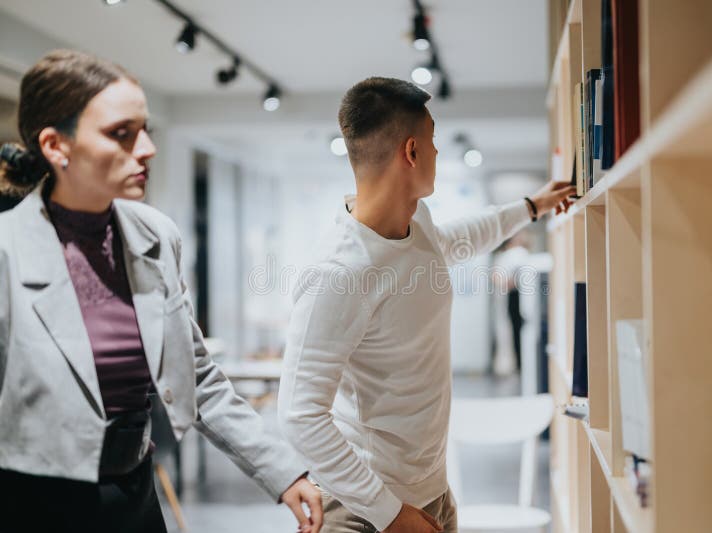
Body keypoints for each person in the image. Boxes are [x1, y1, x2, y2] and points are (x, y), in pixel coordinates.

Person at [0, 50, 321, 533]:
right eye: (120, 134)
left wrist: (281, 469)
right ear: (55, 145)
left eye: (144, 129)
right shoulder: (7, 252)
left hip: (135, 498)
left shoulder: (154, 235)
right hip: (33, 506)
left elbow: (197, 378)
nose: (147, 148)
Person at [277, 77, 575, 533]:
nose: (438, 153)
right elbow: (300, 416)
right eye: (433, 141)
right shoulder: (338, 273)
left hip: (431, 494)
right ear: (412, 152)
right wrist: (389, 513)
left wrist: (530, 207)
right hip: (365, 511)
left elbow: (458, 239)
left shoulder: (418, 222)